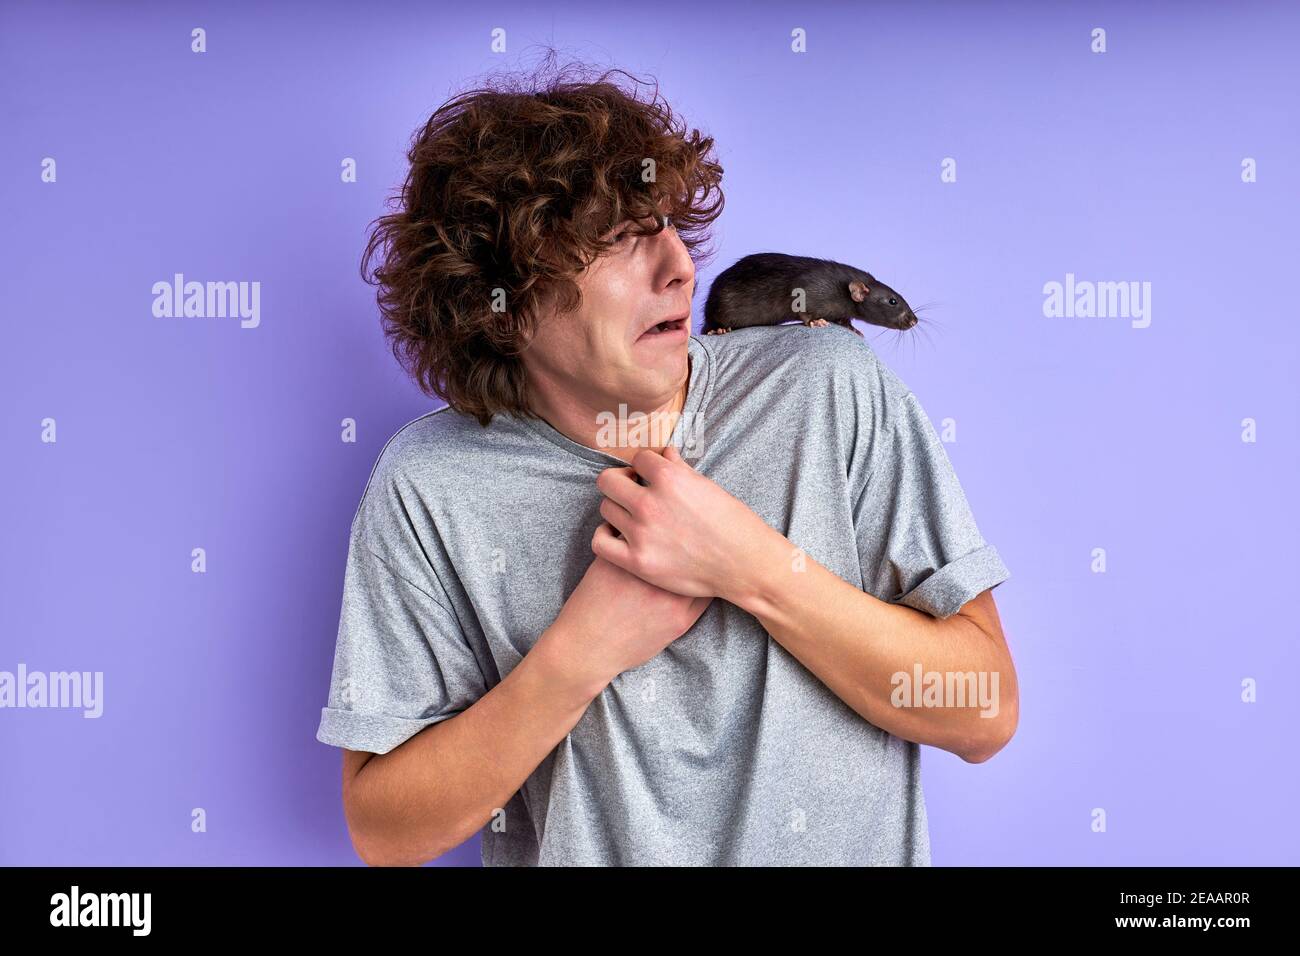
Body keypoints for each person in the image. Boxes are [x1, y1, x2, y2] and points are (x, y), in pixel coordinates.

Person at [316, 62, 1017, 867]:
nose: (679, 267)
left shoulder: (827, 385)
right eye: (616, 240)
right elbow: (384, 832)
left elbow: (984, 712)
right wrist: (583, 650)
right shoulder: (428, 486)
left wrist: (753, 567)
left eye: (666, 226)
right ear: (500, 305)